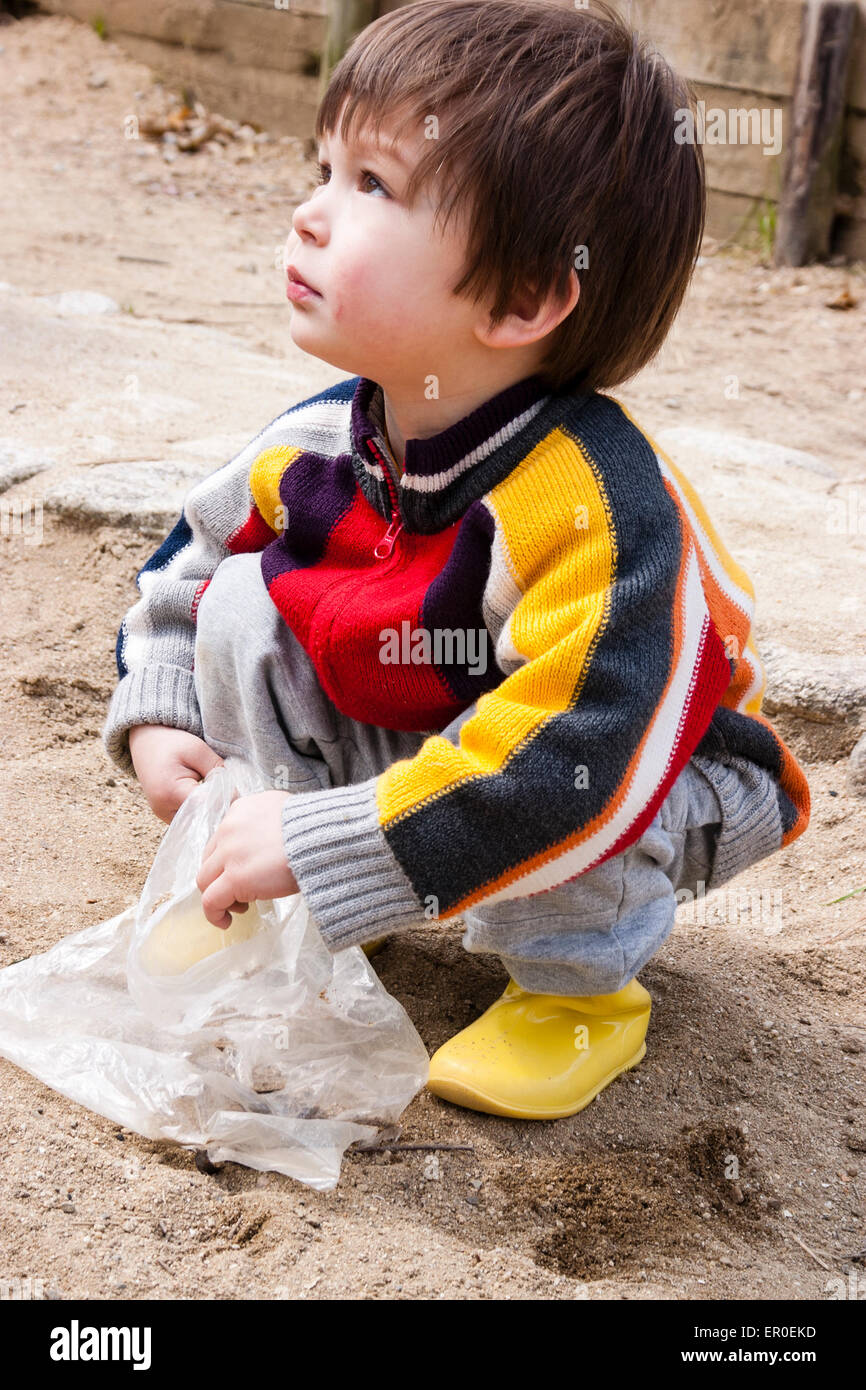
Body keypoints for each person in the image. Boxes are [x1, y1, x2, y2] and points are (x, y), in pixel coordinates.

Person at [102, 0, 810, 1121]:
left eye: (371, 187)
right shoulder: (323, 439)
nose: (308, 214)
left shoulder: (594, 507)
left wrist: (342, 831)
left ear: (524, 295)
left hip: (657, 775)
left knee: (564, 777)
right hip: (452, 715)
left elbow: (578, 752)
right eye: (321, 166)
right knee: (249, 602)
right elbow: (187, 574)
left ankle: (578, 997)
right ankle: (303, 887)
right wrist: (161, 709)